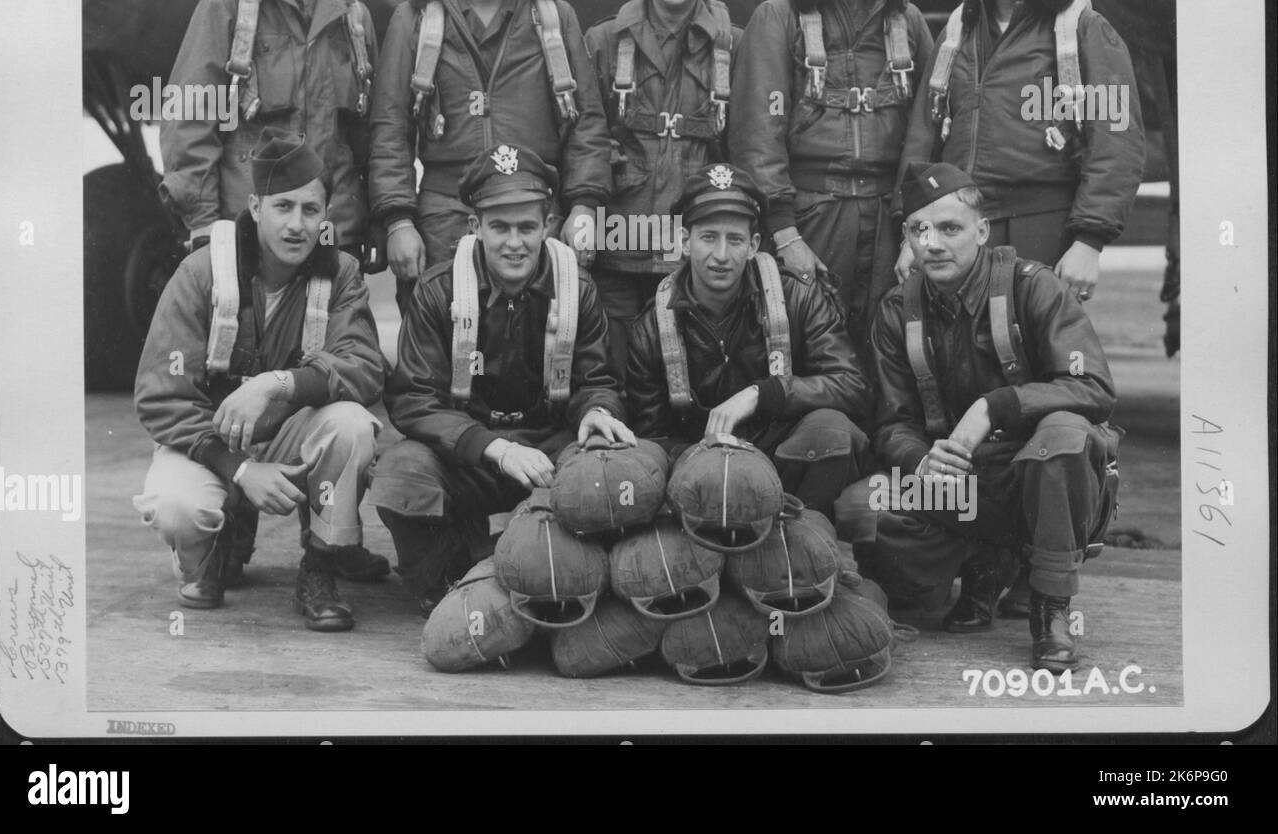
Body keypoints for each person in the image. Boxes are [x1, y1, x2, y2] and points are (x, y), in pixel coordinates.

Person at [837, 162, 1120, 672]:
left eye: (949, 228)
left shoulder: (1033, 287)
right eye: (919, 230)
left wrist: (996, 406)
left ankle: (1050, 605)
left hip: (1038, 477)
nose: (933, 243)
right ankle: (987, 563)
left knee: (1062, 436)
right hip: (963, 486)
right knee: (866, 508)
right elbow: (890, 422)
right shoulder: (898, 310)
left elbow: (1094, 387)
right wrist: (921, 459)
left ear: (982, 230)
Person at [134, 130, 387, 631]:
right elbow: (161, 396)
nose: (297, 225)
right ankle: (212, 547)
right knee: (176, 505)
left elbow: (363, 365)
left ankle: (320, 566)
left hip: (289, 437)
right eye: (283, 207)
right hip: (212, 439)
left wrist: (278, 383)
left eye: (311, 210)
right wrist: (241, 471)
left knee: (352, 426)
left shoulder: (341, 275)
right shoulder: (201, 273)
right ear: (254, 205)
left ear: (325, 215)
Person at [370, 143, 634, 615]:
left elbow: (598, 379)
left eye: (527, 227)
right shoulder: (438, 291)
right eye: (500, 228)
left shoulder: (577, 289)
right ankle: (453, 574)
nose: (515, 243)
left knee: (605, 472)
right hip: (469, 453)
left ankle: (535, 567)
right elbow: (412, 398)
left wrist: (597, 410)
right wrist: (494, 447)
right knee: (399, 473)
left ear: (549, 226)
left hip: (549, 451)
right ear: (475, 228)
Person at [367, 0, 611, 309]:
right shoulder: (415, 21)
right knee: (438, 350)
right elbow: (390, 127)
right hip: (443, 218)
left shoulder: (556, 19)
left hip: (535, 217)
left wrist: (585, 206)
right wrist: (398, 221)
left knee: (539, 348)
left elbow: (587, 122)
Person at [895, 0, 1145, 305]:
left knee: (1043, 361)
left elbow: (1117, 139)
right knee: (965, 364)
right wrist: (915, 230)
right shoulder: (957, 32)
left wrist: (1089, 241)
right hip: (963, 228)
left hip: (1044, 226)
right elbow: (923, 136)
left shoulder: (1084, 29)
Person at [730, 0, 933, 351]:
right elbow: (757, 135)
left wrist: (915, 227)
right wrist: (784, 235)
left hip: (890, 218)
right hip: (812, 218)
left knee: (891, 352)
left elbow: (925, 129)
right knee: (808, 348)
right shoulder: (777, 19)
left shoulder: (909, 23)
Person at [161, 0, 380, 267]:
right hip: (249, 239)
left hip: (335, 241)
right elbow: (190, 121)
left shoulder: (354, 18)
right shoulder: (225, 8)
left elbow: (372, 137)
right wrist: (205, 226)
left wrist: (378, 220)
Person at [625, 163, 872, 517]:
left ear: (754, 244)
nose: (722, 256)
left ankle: (802, 530)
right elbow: (652, 439)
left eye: (735, 239)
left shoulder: (796, 297)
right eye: (708, 237)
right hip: (703, 471)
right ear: (683, 241)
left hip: (785, 459)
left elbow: (852, 386)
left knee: (830, 432)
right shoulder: (652, 327)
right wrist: (709, 458)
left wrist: (765, 393)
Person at [583, 0, 740, 379]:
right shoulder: (605, 42)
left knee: (687, 375)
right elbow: (585, 134)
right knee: (614, 370)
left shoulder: (733, 45)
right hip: (618, 243)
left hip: (691, 247)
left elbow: (744, 146)